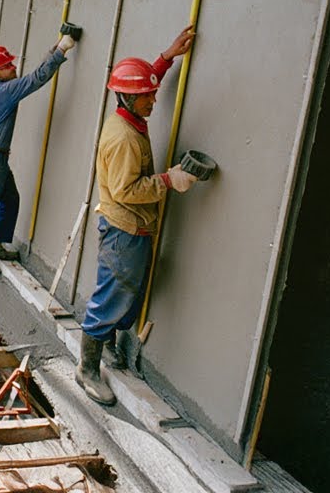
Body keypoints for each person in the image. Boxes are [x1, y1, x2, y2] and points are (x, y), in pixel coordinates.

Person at [76, 25, 201, 406]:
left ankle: (111, 344)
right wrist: (168, 180)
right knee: (112, 293)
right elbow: (126, 190)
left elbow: (143, 85)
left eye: (152, 92)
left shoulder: (130, 113)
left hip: (133, 228)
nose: (153, 99)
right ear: (129, 100)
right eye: (147, 96)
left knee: (127, 290)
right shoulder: (125, 139)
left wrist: (166, 58)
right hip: (123, 228)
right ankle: (86, 368)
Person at [0, 26, 79, 276]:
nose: (13, 67)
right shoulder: (7, 91)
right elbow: (38, 77)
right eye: (8, 65)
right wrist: (62, 49)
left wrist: (56, 46)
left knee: (9, 200)